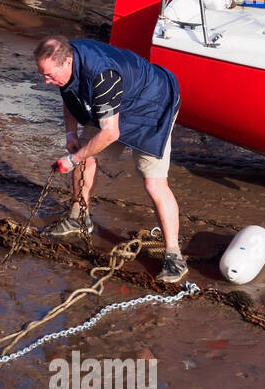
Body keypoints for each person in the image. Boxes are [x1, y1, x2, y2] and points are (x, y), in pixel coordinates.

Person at [33, 35, 188, 283]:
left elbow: (110, 133)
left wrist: (72, 159)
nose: (46, 81)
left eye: (49, 75)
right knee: (85, 153)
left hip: (152, 104)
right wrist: (71, 133)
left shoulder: (102, 76)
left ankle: (174, 256)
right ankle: (78, 216)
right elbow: (68, 94)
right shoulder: (66, 61)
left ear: (67, 62)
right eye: (43, 74)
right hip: (118, 101)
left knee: (153, 183)